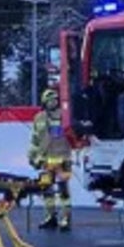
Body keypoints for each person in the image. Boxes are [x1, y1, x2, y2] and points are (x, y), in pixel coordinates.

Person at [29, 89, 74, 231]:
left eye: (55, 99)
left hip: (63, 159)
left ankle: (66, 218)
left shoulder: (64, 115)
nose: (52, 102)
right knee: (46, 190)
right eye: (49, 100)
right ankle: (50, 217)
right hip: (45, 161)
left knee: (63, 190)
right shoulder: (38, 118)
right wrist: (32, 156)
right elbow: (35, 140)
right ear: (44, 102)